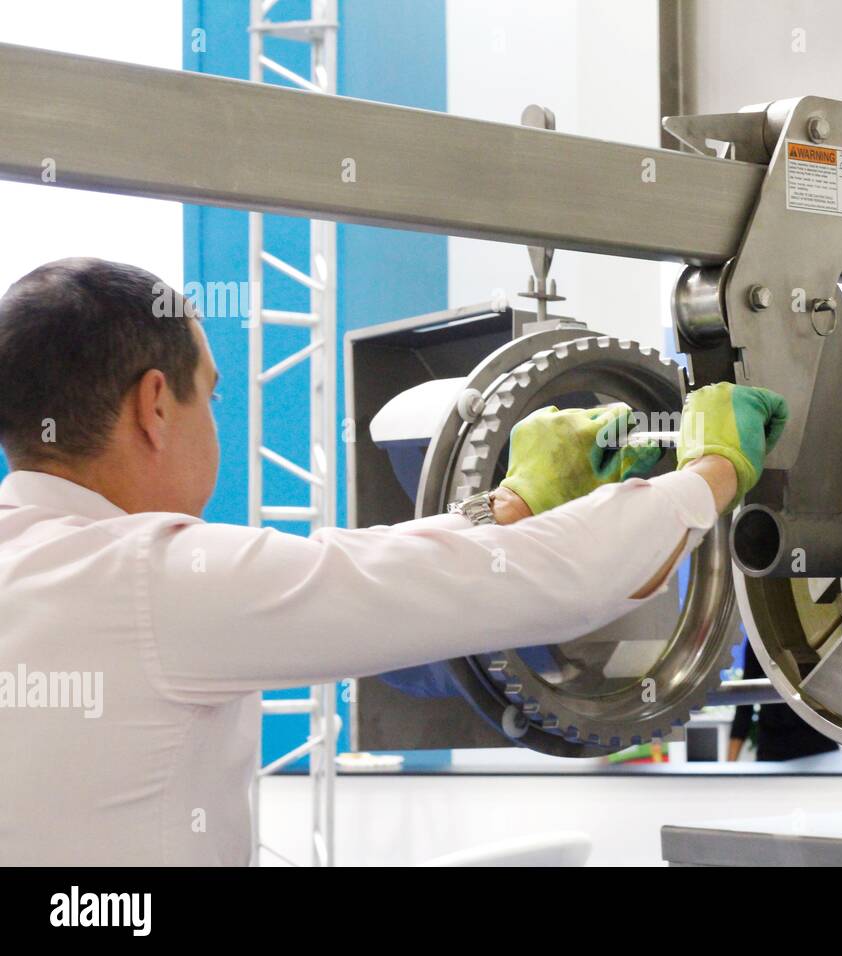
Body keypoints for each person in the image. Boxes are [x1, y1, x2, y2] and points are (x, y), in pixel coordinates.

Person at [0, 257, 788, 865]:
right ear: (154, 405)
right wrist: (713, 468)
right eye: (210, 394)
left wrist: (508, 506)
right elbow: (555, 583)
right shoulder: (151, 582)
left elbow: (368, 574)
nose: (214, 418)